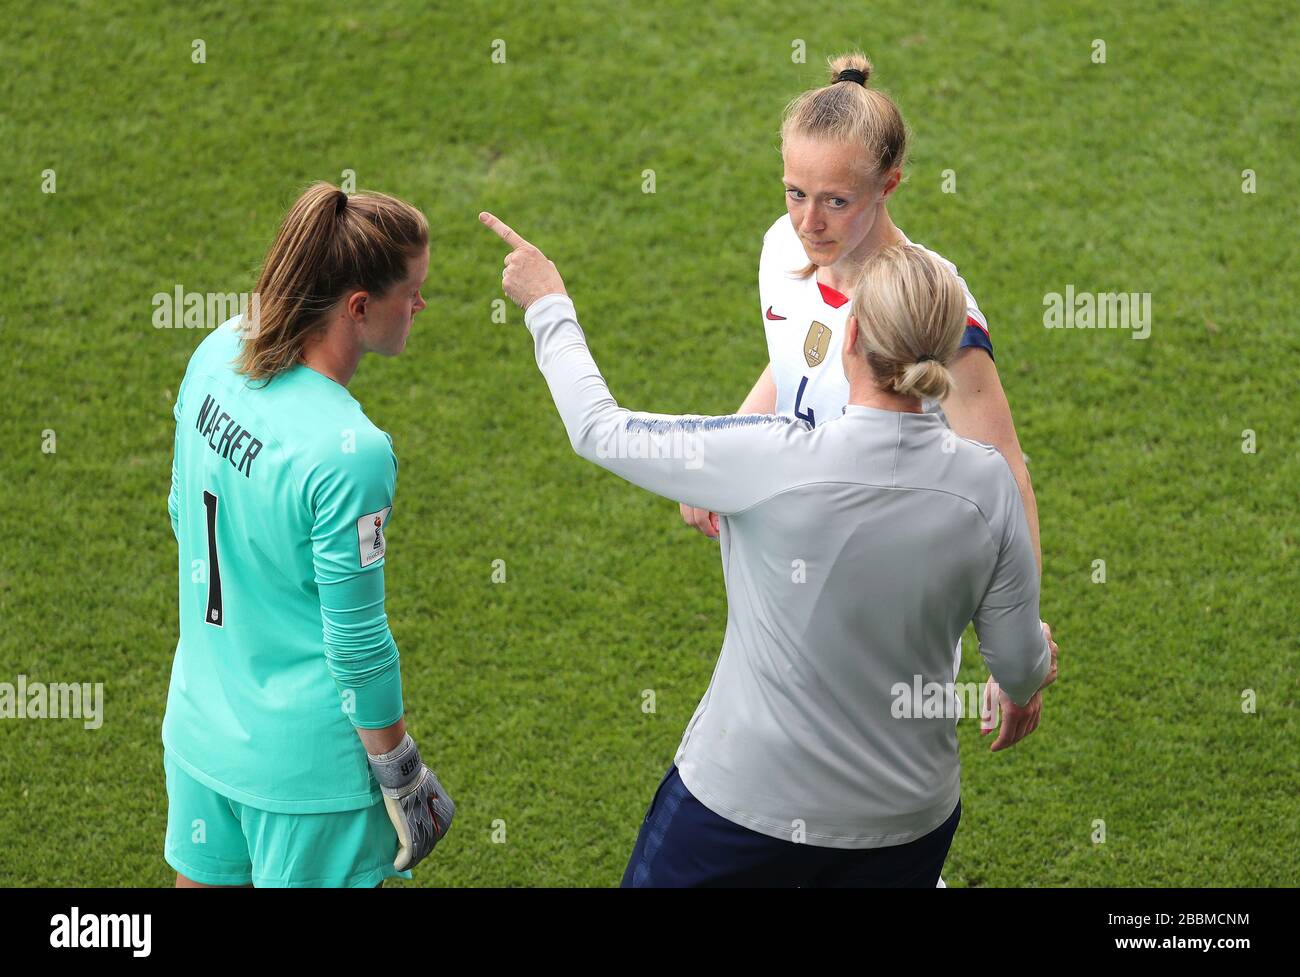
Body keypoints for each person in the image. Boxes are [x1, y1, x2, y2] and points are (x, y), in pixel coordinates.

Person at [481, 211, 1058, 887]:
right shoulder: (986, 484)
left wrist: (548, 302)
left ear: (851, 336)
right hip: (906, 823)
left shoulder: (771, 457)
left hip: (740, 806)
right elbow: (1018, 665)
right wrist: (1031, 667)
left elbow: (599, 430)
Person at [679, 51, 1049, 757]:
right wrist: (724, 447)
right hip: (794, 560)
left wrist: (1017, 652)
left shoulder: (932, 308)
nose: (807, 222)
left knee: (867, 775)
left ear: (889, 185)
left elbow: (1005, 467)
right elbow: (795, 359)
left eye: (834, 200)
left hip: (888, 594)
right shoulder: (781, 252)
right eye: (793, 192)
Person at [163, 182, 454, 888]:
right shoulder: (348, 450)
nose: (419, 305)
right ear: (358, 306)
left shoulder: (217, 352)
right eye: (410, 291)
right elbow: (356, 643)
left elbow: (182, 513)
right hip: (304, 779)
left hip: (201, 732)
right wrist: (400, 771)